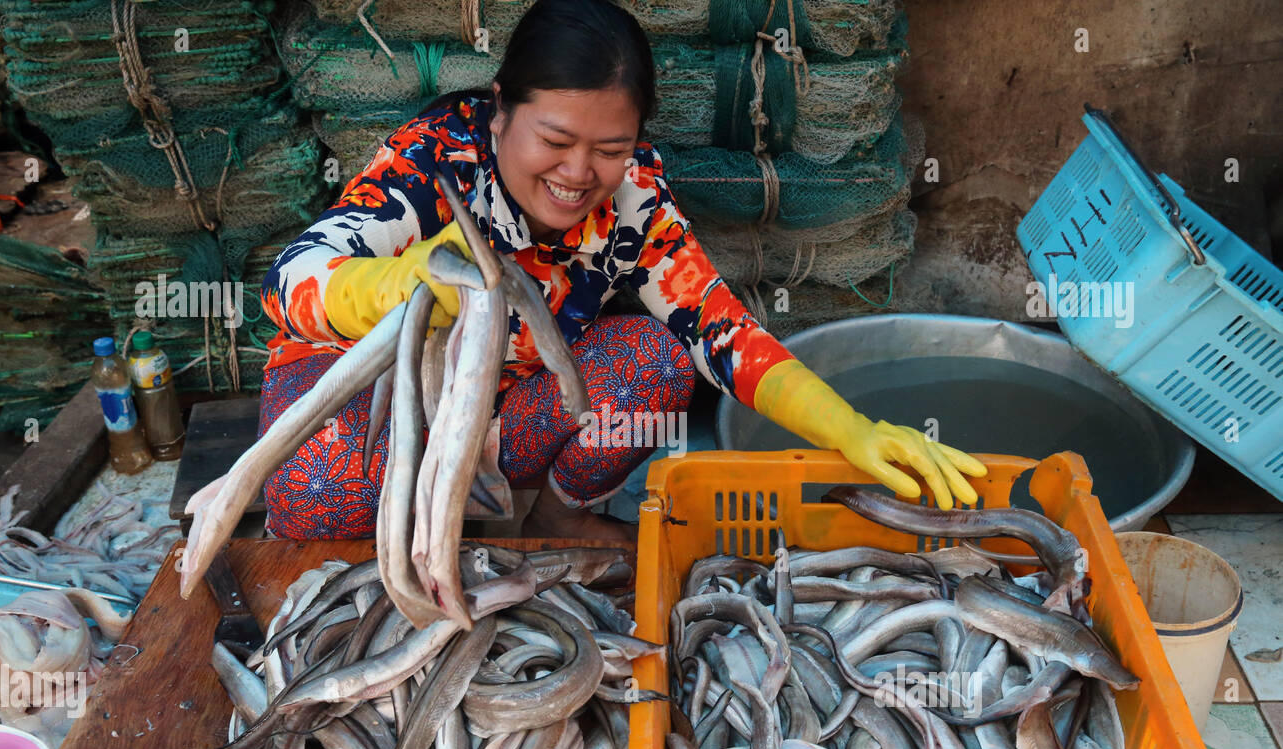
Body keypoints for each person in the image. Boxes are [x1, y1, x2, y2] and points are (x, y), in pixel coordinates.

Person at [259, 0, 986, 542]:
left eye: (610, 146)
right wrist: (398, 284)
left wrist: (851, 428)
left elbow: (719, 329)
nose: (578, 174)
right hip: (374, 398)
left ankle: (553, 520)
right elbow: (289, 283)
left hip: (500, 403)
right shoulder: (434, 162)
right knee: (320, 488)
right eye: (555, 139)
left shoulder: (633, 197)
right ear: (503, 111)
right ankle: (396, 528)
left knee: (654, 366)